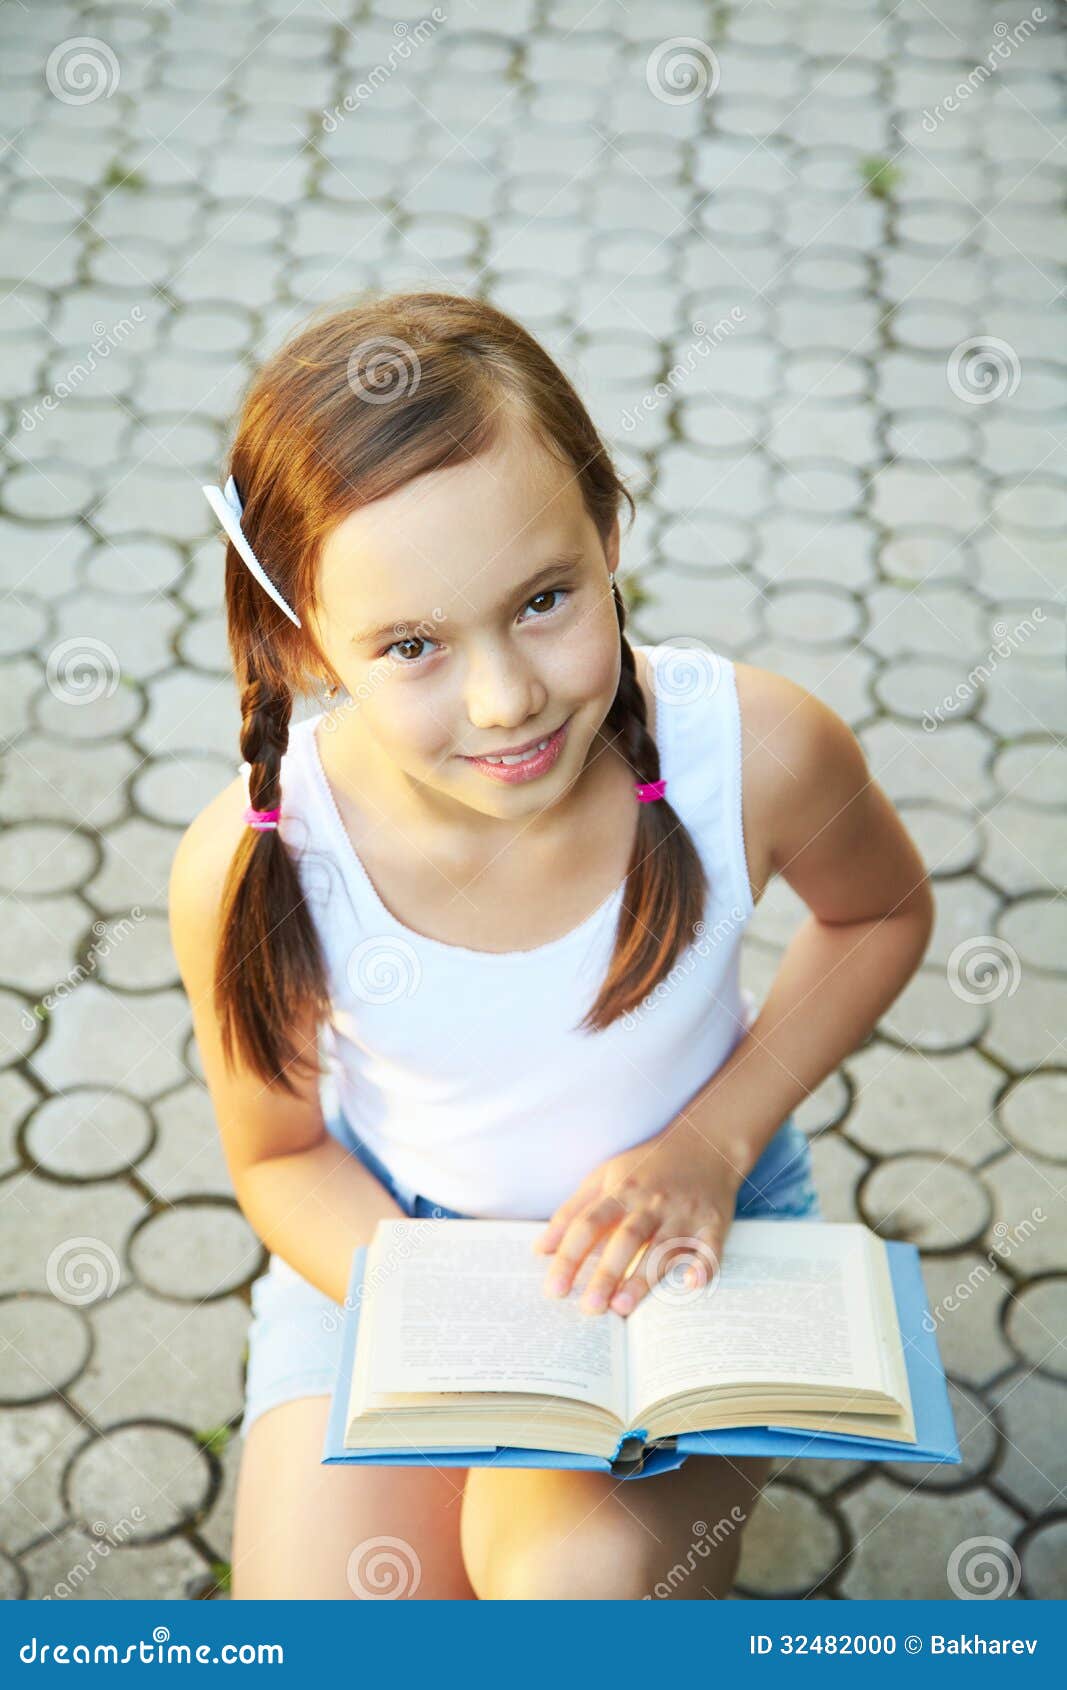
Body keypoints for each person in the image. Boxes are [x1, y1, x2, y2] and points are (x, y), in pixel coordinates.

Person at [168, 290, 935, 1600]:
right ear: (306, 640)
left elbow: (882, 914)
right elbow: (283, 1153)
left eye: (543, 599)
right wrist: (455, 1316)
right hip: (392, 1252)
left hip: (689, 1249)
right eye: (411, 644)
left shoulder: (756, 749)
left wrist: (710, 1139)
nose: (507, 696)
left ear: (608, 527)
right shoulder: (258, 863)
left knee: (573, 1594)